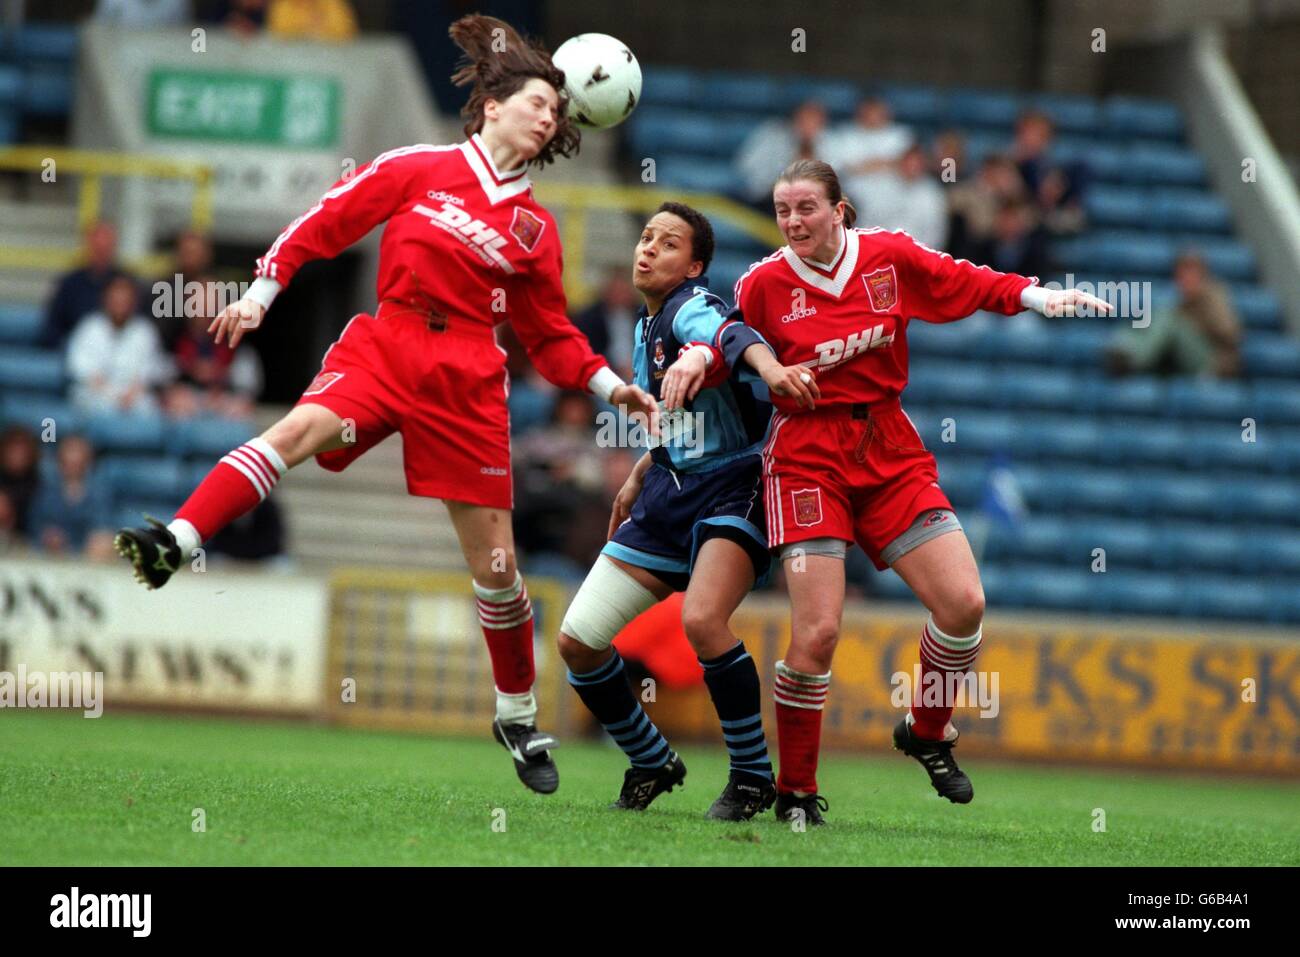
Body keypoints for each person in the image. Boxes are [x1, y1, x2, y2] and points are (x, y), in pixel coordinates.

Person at [113, 15, 657, 796]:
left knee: (499, 572)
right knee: (295, 429)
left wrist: (611, 385)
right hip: (389, 342)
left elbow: (549, 336)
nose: (549, 115)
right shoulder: (421, 166)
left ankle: (514, 714)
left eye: (556, 111)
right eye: (538, 101)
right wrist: (264, 289)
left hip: (469, 376)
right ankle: (176, 537)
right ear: (493, 105)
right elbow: (325, 220)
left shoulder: (536, 229)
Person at [730, 159, 1109, 824]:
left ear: (840, 209)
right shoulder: (762, 283)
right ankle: (795, 790)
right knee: (817, 633)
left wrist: (1037, 296)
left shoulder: (889, 257)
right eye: (783, 209)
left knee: (964, 603)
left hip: (887, 449)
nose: (793, 221)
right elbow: (728, 339)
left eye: (806, 208)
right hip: (806, 457)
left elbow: (960, 279)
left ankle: (927, 729)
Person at [555, 201, 815, 821]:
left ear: (694, 265)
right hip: (668, 489)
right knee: (578, 643)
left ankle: (752, 777)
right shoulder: (646, 328)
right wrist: (644, 466)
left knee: (702, 621)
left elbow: (728, 334)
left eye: (668, 244)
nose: (648, 248)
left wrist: (768, 367)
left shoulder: (691, 307)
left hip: (736, 483)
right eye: (645, 237)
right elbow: (680, 420)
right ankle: (651, 760)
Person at [1105, 250, 1242, 379]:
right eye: (1181, 275)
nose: (1184, 280)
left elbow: (1231, 333)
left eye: (1190, 274)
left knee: (1168, 318)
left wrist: (1201, 312)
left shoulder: (1213, 296)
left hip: (1213, 363)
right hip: (1184, 360)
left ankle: (1134, 360)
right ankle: (1121, 349)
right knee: (1145, 321)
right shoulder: (1181, 301)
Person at [67, 274, 170, 415]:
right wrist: (113, 395)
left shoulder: (145, 330)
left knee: (150, 410)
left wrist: (132, 393)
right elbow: (80, 369)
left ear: (134, 302)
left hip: (134, 398)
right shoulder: (89, 327)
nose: (120, 303)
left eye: (125, 299)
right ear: (105, 299)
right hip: (96, 396)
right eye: (116, 298)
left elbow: (150, 371)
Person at [823, 97, 913, 226]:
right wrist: (885, 163)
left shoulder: (901, 134)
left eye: (877, 110)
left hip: (894, 201)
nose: (873, 115)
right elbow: (841, 168)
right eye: (869, 110)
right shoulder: (846, 134)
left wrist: (864, 165)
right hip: (855, 200)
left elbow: (908, 165)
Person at [41, 221, 128, 349]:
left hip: (121, 355)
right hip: (76, 355)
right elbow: (53, 326)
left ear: (114, 247)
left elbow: (138, 328)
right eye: (98, 248)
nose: (101, 253)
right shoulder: (69, 284)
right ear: (88, 246)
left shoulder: (127, 284)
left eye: (105, 248)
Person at [28, 435, 116, 560]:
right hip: (49, 553)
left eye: (78, 457)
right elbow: (34, 524)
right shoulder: (46, 489)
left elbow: (102, 526)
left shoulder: (99, 492)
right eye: (69, 456)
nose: (73, 461)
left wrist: (98, 540)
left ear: (88, 460)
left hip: (87, 555)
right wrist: (46, 535)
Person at [734, 100, 828, 207]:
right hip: (766, 200)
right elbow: (746, 166)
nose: (809, 125)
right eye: (805, 120)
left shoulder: (829, 143)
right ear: (795, 119)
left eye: (815, 121)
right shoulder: (772, 136)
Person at [866, 144, 948, 251]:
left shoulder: (933, 193)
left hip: (918, 254)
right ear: (901, 163)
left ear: (923, 166)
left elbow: (936, 232)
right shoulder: (880, 187)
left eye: (917, 164)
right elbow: (868, 222)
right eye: (908, 163)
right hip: (881, 251)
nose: (912, 167)